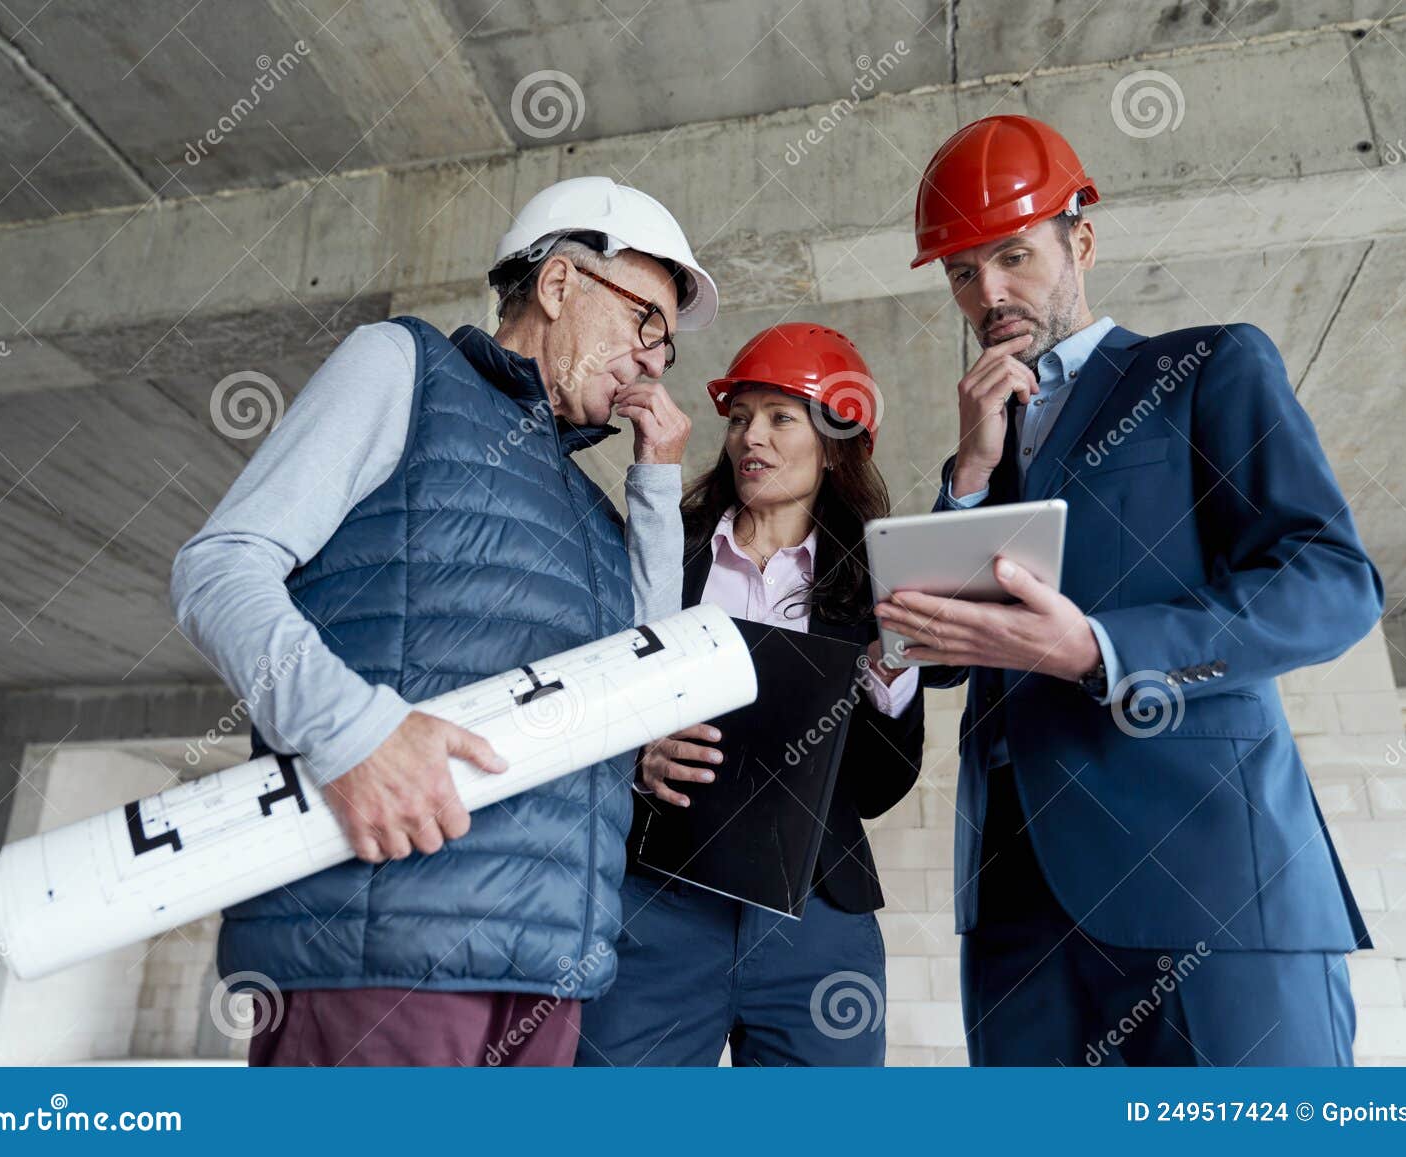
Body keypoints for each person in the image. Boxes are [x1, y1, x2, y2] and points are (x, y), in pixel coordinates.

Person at [169, 176, 716, 1066]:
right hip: (382, 948)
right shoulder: (404, 367)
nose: (656, 358)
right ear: (560, 284)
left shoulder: (590, 512)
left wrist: (654, 487)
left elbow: (642, 692)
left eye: (666, 344)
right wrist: (351, 733)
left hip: (549, 975)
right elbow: (220, 567)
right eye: (646, 320)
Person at [876, 115, 1384, 1066]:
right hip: (1020, 917)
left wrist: (1102, 650)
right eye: (960, 273)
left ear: (1084, 240)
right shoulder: (987, 439)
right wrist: (972, 478)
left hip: (1209, 887)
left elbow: (1332, 581)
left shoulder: (1205, 369)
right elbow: (938, 662)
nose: (988, 294)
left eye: (1013, 256)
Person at [577, 322, 925, 1067]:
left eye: (778, 417)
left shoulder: (876, 582)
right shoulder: (666, 546)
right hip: (660, 904)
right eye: (739, 419)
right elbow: (592, 695)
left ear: (834, 443)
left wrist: (890, 675)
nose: (749, 439)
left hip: (817, 919)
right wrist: (635, 753)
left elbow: (880, 784)